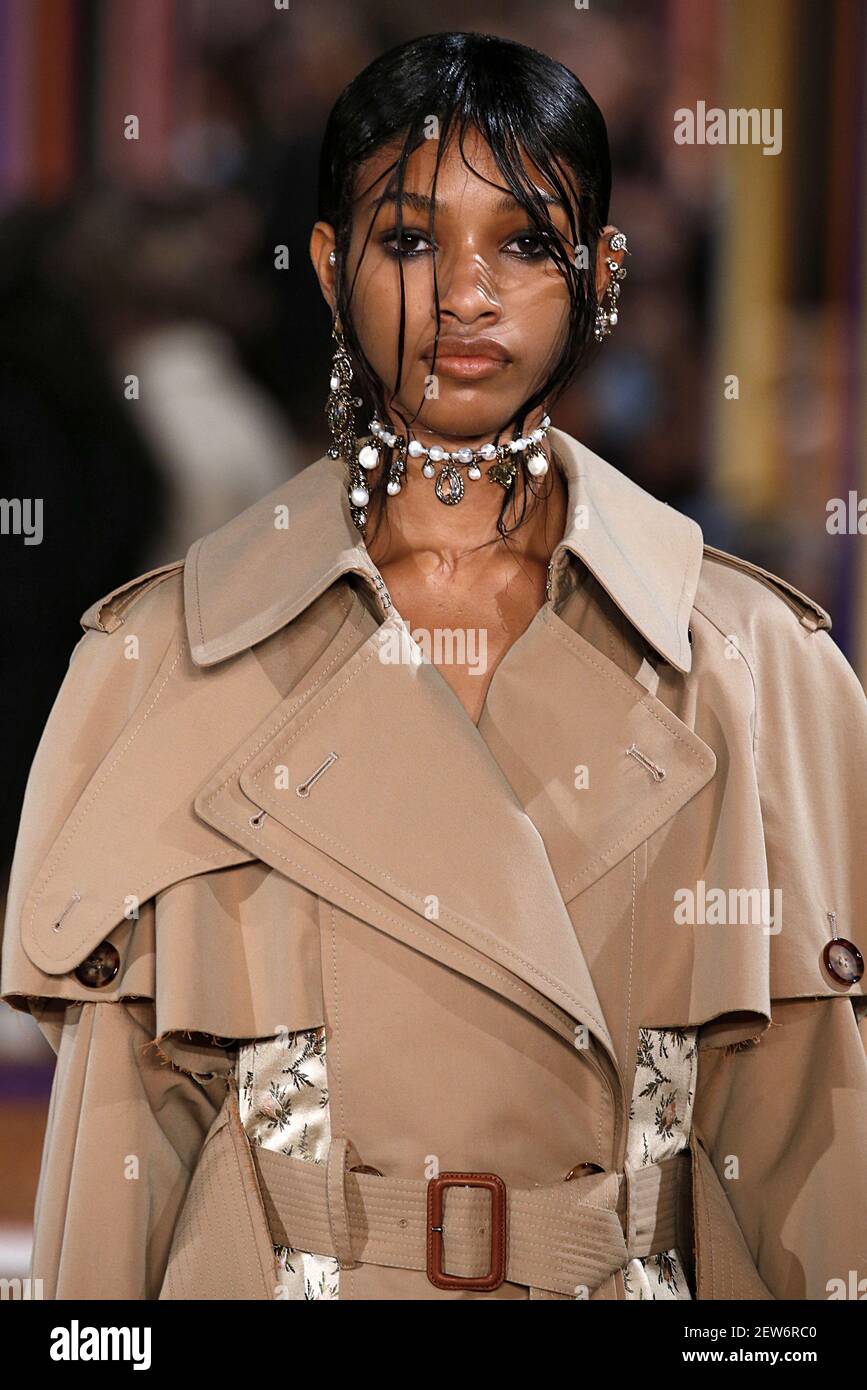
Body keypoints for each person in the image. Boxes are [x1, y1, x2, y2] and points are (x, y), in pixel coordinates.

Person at [2, 30, 866, 1303]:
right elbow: (114, 1168)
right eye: (411, 240)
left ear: (600, 270)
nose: (467, 293)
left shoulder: (753, 671)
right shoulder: (164, 664)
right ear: (328, 264)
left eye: (523, 241)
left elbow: (809, 1164)